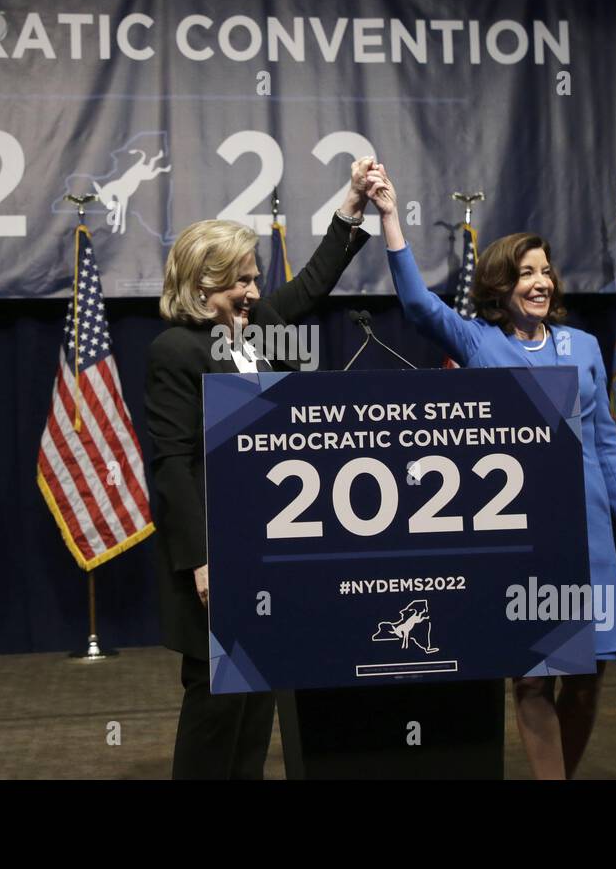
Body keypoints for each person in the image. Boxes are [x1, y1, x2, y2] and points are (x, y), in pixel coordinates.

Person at [364, 163, 616, 779]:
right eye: (527, 273)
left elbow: (606, 440)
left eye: (546, 271)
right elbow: (416, 302)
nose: (542, 282)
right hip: (520, 537)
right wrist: (390, 218)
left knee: (587, 679)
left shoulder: (584, 348)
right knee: (533, 679)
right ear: (502, 284)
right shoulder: (477, 343)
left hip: (592, 532)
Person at [145, 158, 375, 779]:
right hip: (215, 560)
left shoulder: (253, 335)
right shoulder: (178, 350)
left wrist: (352, 205)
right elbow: (172, 464)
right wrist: (199, 558)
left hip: (269, 551)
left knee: (257, 705)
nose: (251, 292)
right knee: (216, 707)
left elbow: (310, 287)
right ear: (199, 287)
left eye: (252, 279)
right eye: (237, 282)